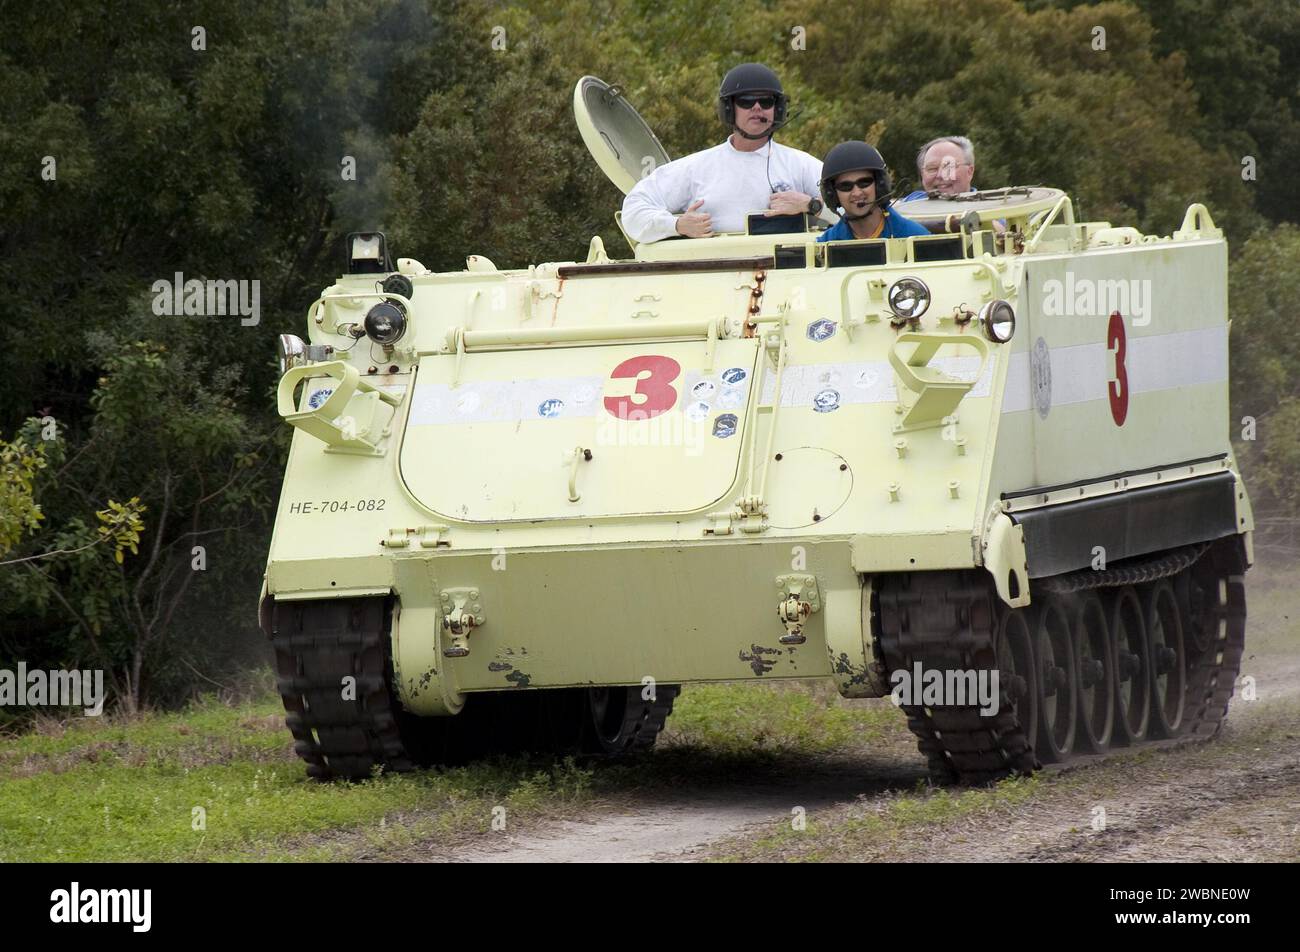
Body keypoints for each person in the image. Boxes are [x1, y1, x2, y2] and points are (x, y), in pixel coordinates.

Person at [620, 64, 825, 242]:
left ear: (777, 109)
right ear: (728, 108)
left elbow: (852, 209)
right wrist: (677, 225)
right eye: (746, 101)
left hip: (789, 277)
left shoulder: (800, 164)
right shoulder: (696, 167)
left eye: (766, 101)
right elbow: (634, 209)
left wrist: (811, 205)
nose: (756, 108)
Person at [815, 141, 929, 242]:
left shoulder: (916, 238)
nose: (857, 193)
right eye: (845, 186)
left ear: (880, 185)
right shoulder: (825, 246)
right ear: (832, 194)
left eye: (864, 182)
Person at [899, 136, 977, 202]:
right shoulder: (908, 204)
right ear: (922, 174)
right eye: (932, 169)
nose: (940, 175)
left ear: (970, 172)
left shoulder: (985, 211)